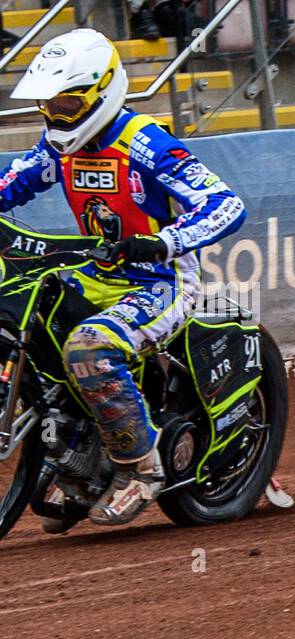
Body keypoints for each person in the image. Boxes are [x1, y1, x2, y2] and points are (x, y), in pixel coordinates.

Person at [0, 29, 247, 529]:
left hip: (159, 280)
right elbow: (10, 183)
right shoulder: (57, 146)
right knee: (35, 321)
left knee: (89, 349)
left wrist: (166, 241)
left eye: (67, 103)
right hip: (99, 271)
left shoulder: (144, 143)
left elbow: (227, 204)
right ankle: (79, 454)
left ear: (102, 91)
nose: (56, 115)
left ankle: (140, 465)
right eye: (49, 104)